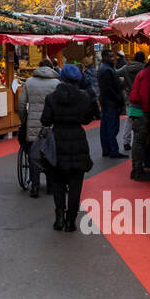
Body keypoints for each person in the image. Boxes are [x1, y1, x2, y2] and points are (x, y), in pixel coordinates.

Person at [41, 63, 98, 231]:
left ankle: (59, 217)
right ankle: (70, 220)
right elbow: (88, 119)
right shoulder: (84, 97)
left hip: (58, 139)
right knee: (75, 183)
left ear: (62, 78)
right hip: (77, 140)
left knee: (57, 182)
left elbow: (45, 120)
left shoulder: (51, 98)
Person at [17, 58, 61, 197]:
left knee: (33, 155)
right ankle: (50, 185)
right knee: (50, 153)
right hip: (51, 125)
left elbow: (21, 105)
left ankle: (35, 187)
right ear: (52, 68)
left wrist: (24, 120)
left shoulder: (29, 82)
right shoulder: (56, 83)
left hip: (33, 124)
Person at [127, 58, 150, 181]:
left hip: (136, 109)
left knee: (139, 140)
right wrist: (148, 112)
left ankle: (138, 168)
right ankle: (137, 170)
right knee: (139, 141)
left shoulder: (143, 71)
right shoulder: (148, 73)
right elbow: (144, 95)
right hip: (140, 110)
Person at [96, 51, 127, 159]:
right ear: (104, 57)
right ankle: (113, 150)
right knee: (111, 127)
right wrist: (118, 98)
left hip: (107, 101)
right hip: (111, 102)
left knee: (106, 127)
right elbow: (109, 88)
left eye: (113, 56)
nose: (113, 59)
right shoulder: (107, 70)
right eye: (110, 57)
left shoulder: (104, 68)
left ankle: (107, 149)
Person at [117, 50, 147, 152]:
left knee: (129, 120)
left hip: (130, 97)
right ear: (143, 59)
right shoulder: (144, 68)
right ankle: (141, 141)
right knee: (142, 121)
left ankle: (126, 141)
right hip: (142, 98)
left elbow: (115, 74)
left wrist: (124, 85)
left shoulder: (126, 68)